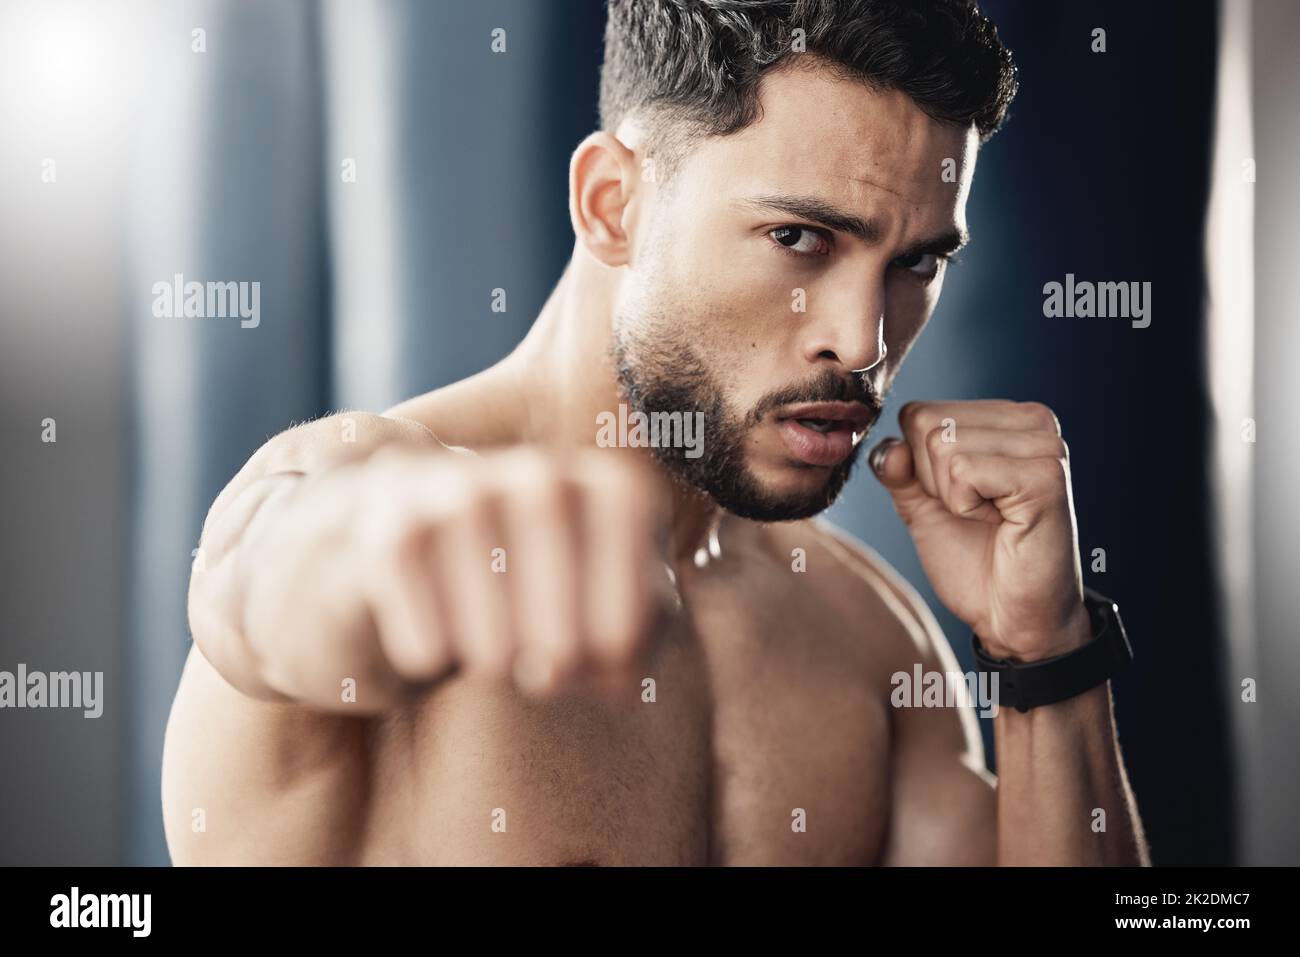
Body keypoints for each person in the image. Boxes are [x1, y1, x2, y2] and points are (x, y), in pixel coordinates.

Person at [163, 0, 1149, 866]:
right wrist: (408, 534)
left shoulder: (861, 637)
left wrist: (1043, 651)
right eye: (799, 238)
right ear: (614, 205)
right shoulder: (360, 493)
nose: (863, 341)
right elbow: (273, 578)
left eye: (916, 263)